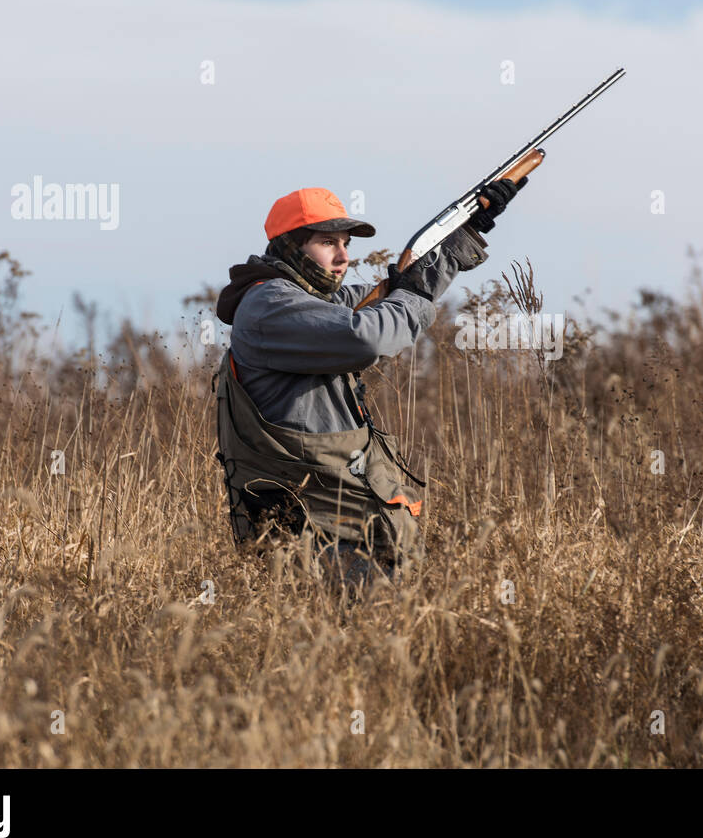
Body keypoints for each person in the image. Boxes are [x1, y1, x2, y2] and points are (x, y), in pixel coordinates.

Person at [213, 182, 521, 590]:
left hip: (345, 527)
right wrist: (410, 295)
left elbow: (396, 293)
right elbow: (368, 336)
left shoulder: (312, 301)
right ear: (290, 244)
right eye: (328, 243)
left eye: (345, 243)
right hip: (316, 535)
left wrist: (460, 237)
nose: (343, 258)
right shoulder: (271, 304)